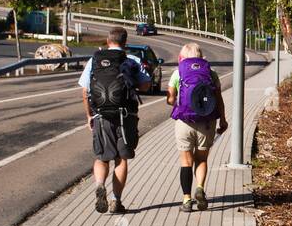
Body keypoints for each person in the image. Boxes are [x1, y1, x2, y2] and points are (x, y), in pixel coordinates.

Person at [80, 26, 151, 214]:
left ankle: (99, 184)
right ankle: (115, 201)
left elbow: (85, 91)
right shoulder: (132, 60)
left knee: (102, 157)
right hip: (126, 117)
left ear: (107, 40)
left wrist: (89, 115)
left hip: (101, 115)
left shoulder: (94, 60)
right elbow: (145, 85)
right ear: (125, 42)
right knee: (121, 159)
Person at [166, 42, 227, 212]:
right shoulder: (211, 73)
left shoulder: (178, 72)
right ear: (200, 56)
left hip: (184, 122)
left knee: (186, 162)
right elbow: (218, 99)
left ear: (183, 57)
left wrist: (175, 101)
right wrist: (223, 120)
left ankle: (186, 200)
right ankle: (200, 188)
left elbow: (170, 99)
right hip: (207, 122)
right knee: (201, 159)